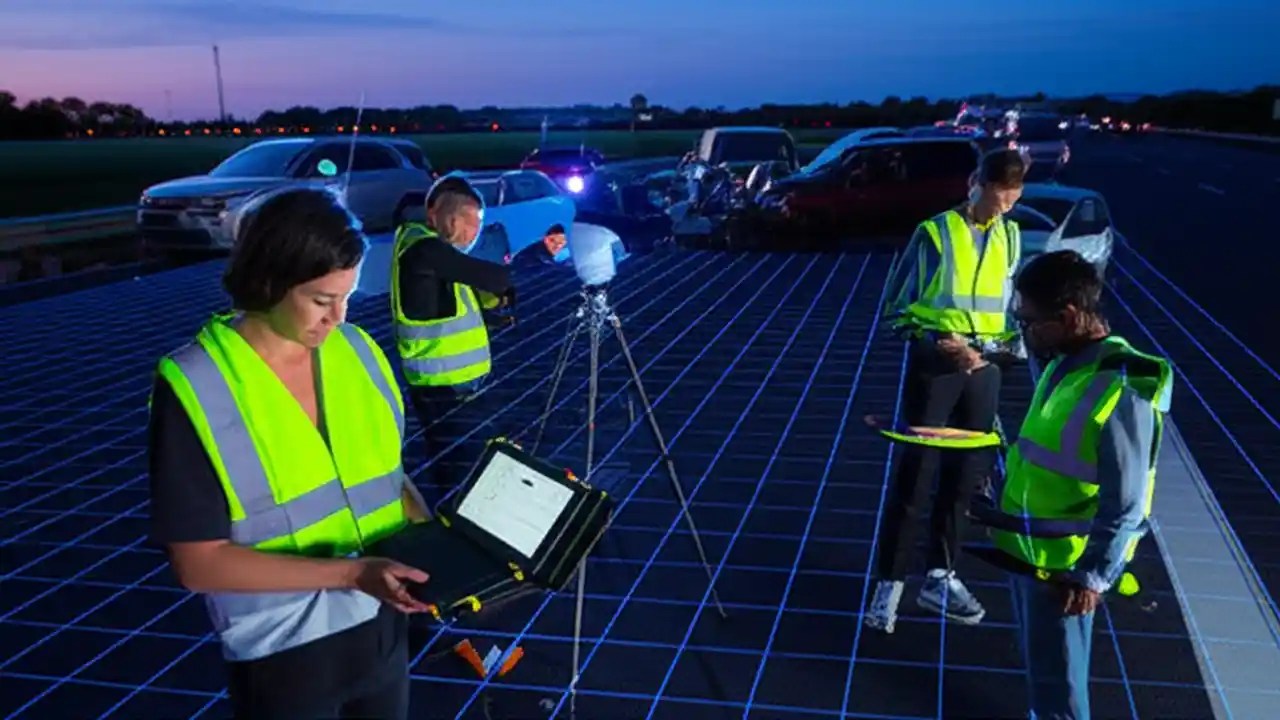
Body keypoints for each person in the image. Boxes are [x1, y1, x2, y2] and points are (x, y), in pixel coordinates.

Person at [147, 187, 433, 720]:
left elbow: (389, 477)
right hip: (284, 657)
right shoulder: (197, 385)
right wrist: (351, 574)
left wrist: (442, 548)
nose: (338, 318)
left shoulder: (357, 352)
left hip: (383, 630)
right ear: (269, 280)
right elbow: (197, 564)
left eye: (347, 297)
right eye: (322, 301)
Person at [979, 250, 1171, 718]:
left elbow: (1127, 503)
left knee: (1060, 687)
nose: (1024, 332)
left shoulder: (1121, 389)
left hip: (1065, 568)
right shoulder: (1068, 362)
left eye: (1029, 322)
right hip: (1030, 551)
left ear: (1067, 317)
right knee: (1045, 673)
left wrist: (1093, 575)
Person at [865, 147, 1026, 634]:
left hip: (985, 369)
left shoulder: (1012, 236)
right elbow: (896, 308)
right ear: (978, 184)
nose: (1004, 209)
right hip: (936, 366)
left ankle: (941, 576)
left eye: (1013, 199)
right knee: (916, 477)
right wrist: (939, 341)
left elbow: (1010, 309)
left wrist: (997, 352)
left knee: (964, 481)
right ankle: (889, 585)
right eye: (999, 197)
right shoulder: (935, 232)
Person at [391, 175, 515, 502]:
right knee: (464, 474)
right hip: (447, 388)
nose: (475, 232)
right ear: (448, 218)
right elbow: (497, 278)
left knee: (457, 468)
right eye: (472, 222)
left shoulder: (429, 250)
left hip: (447, 385)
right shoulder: (426, 250)